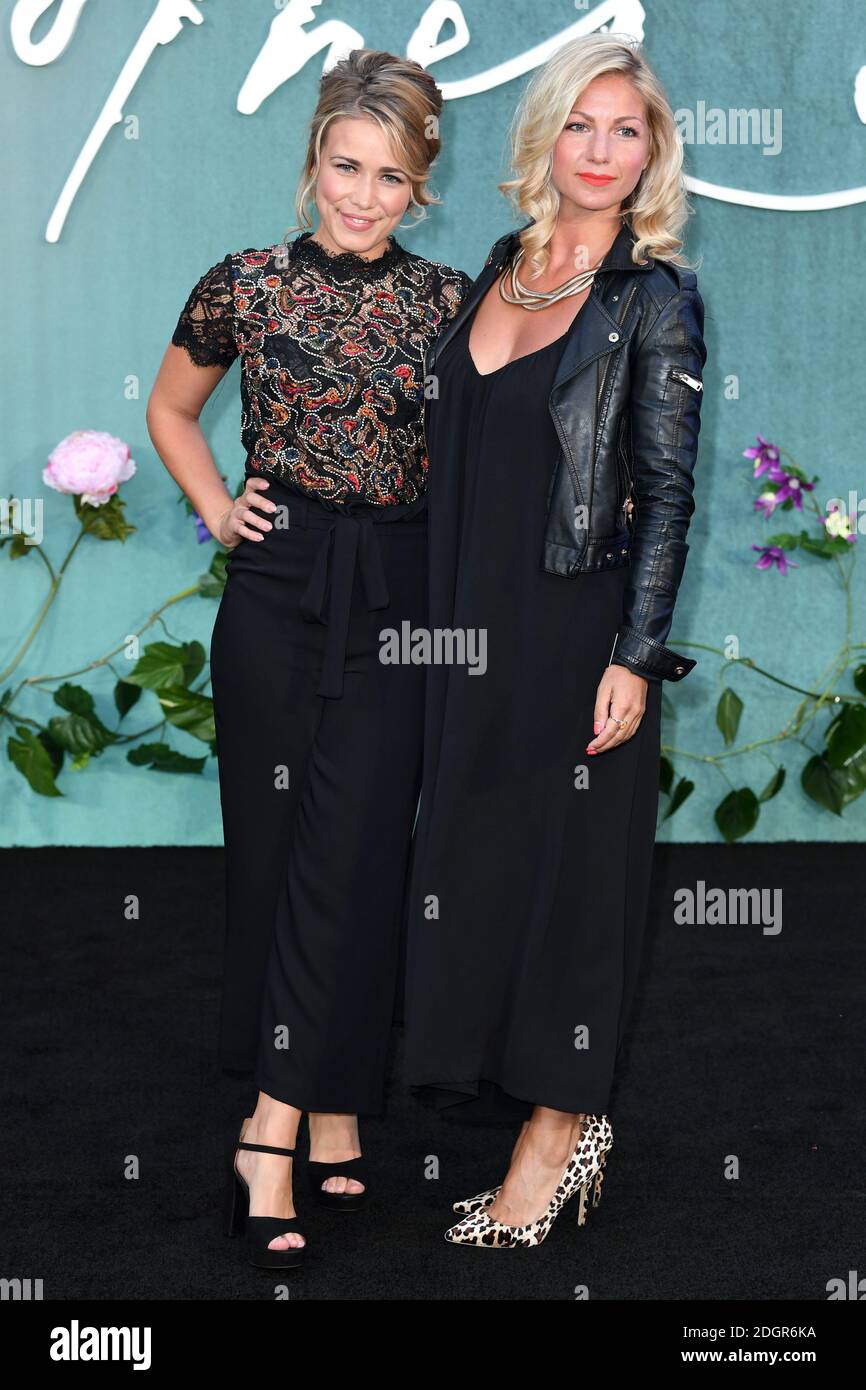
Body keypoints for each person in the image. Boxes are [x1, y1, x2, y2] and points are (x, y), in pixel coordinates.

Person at [146, 49, 471, 1269]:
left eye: (391, 176)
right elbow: (170, 410)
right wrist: (218, 505)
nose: (362, 194)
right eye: (346, 165)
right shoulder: (242, 285)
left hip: (395, 590)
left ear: (419, 187)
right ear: (311, 164)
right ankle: (320, 1107)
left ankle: (271, 1127)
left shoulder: (446, 304)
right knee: (277, 851)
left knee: (358, 851)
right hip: (277, 593)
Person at [401, 33, 707, 1249]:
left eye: (624, 130)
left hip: (576, 626)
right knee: (476, 869)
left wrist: (632, 653)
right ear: (546, 135)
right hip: (463, 631)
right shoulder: (497, 264)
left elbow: (667, 494)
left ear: (650, 156)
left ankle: (557, 1133)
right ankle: (496, 1087)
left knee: (575, 883)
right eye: (579, 124)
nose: (599, 149)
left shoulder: (654, 299)